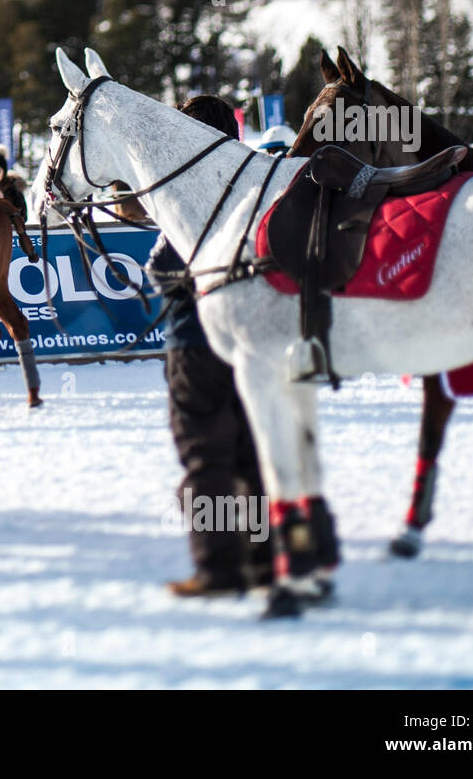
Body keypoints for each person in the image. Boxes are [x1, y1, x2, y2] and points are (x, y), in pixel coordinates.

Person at [148, 95, 281, 597]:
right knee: (249, 455)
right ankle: (264, 563)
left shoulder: (188, 192)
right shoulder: (256, 183)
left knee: (206, 458)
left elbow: (165, 265)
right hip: (250, 345)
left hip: (196, 345)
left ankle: (219, 570)